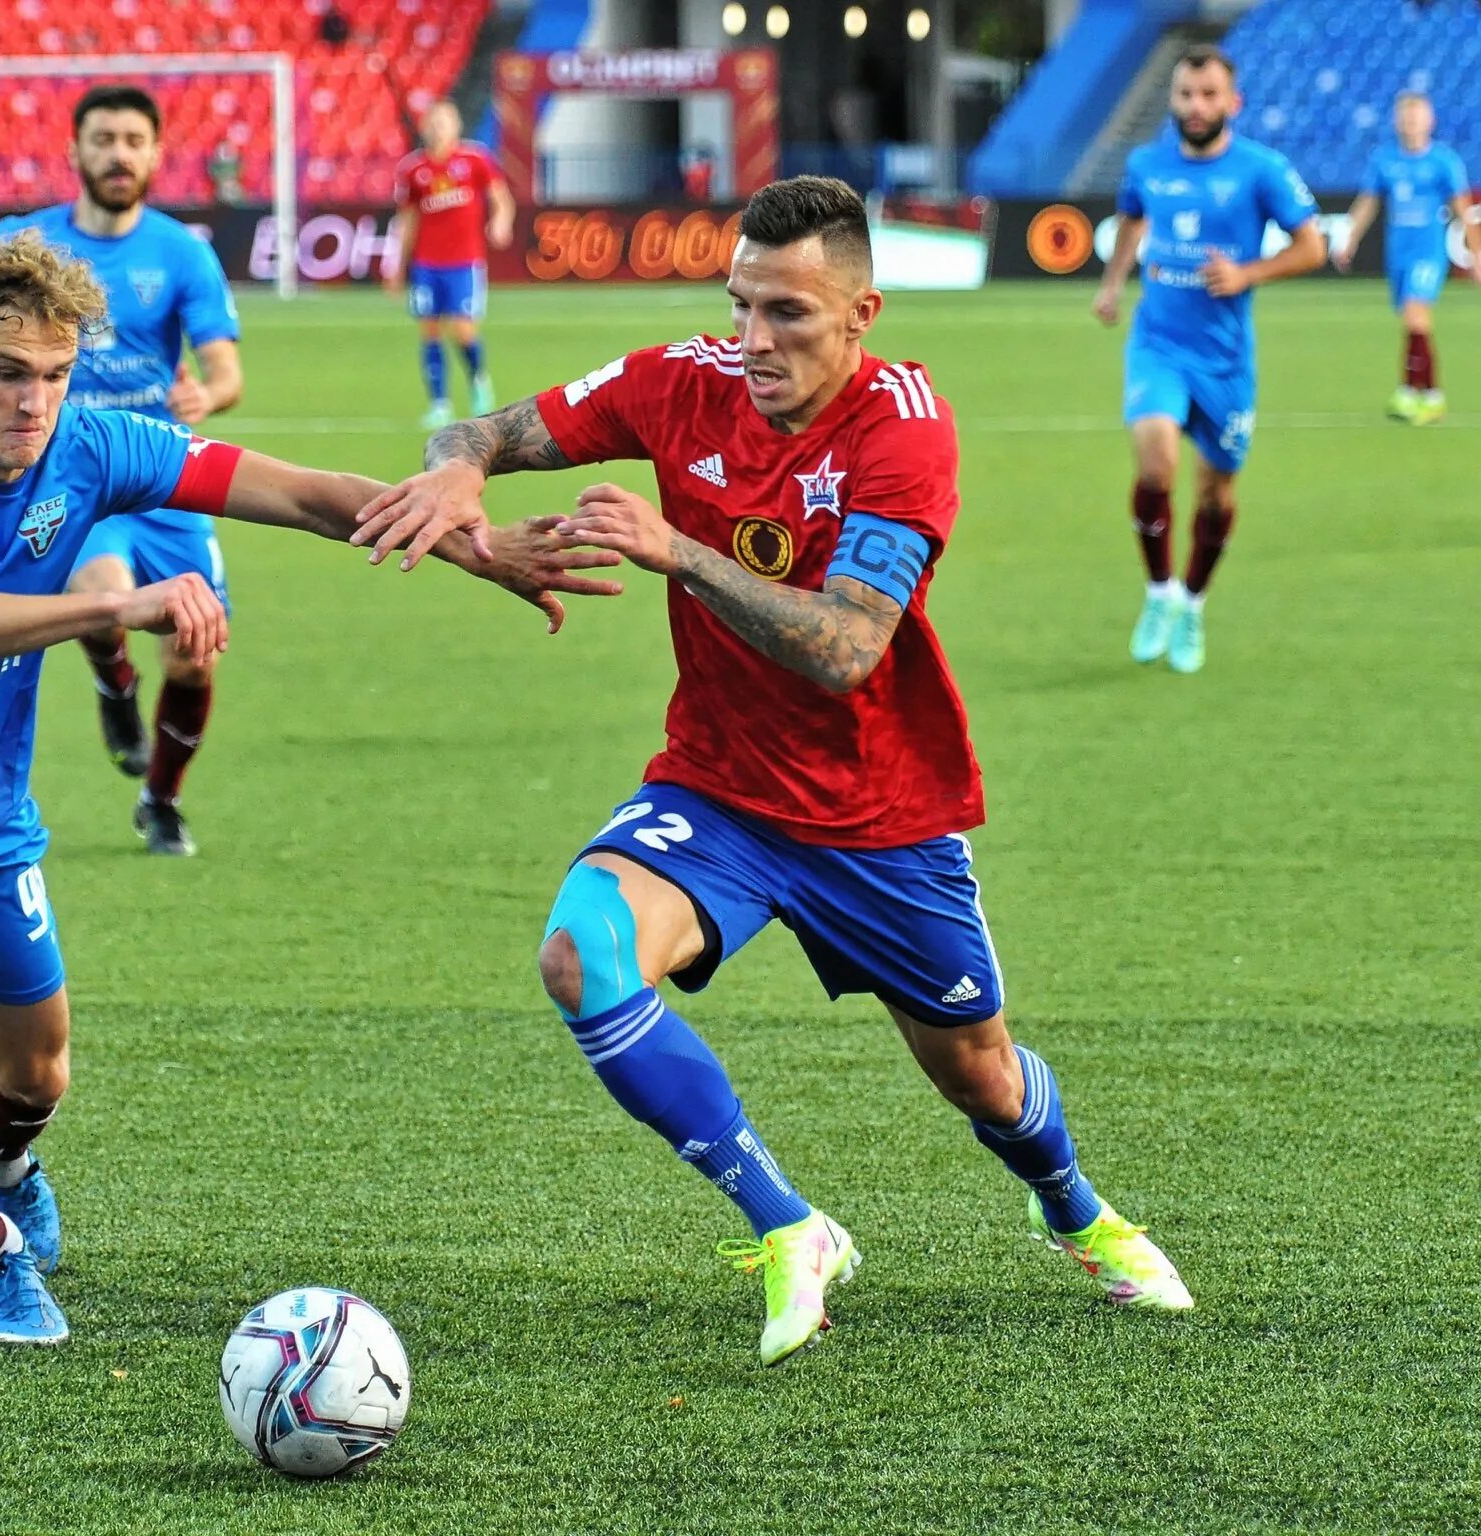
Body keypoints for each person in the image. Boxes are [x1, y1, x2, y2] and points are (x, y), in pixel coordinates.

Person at [353, 177, 1193, 1368]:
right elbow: (490, 427)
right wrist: (456, 474)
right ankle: (789, 1225)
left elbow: (849, 647)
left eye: (787, 315)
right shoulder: (680, 378)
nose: (751, 342)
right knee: (579, 954)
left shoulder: (903, 425)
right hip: (718, 789)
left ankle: (1071, 1207)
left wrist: (676, 552)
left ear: (861, 312)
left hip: (878, 815)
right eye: (739, 305)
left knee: (983, 1081)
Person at [0, 231, 619, 1347]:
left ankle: (4, 1158)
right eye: (6, 374)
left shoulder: (93, 449)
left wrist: (466, 543)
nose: (33, 403)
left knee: (35, 1074)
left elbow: (302, 494)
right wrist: (117, 607)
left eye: (53, 376)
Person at [0, 85, 243, 856]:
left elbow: (227, 371)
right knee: (104, 601)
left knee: (195, 655)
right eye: (104, 139)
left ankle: (160, 799)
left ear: (156, 153)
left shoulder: (182, 252)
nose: (119, 154)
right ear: (76, 152)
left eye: (134, 140)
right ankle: (113, 683)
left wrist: (208, 391)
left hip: (166, 478)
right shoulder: (27, 247)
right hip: (74, 478)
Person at [1092, 45, 1326, 675]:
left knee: (1217, 492)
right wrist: (1113, 286)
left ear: (1232, 101)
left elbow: (1312, 246)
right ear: (1173, 100)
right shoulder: (1146, 164)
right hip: (1158, 343)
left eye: (1208, 95)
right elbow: (1130, 222)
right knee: (1156, 459)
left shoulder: (1262, 169)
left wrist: (1249, 271)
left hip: (1224, 359)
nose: (1195, 107)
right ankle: (1159, 592)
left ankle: (1193, 602)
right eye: (1186, 95)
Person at [1335, 92, 1479, 424]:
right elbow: (1367, 203)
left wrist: (1476, 254)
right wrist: (1349, 238)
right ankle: (1419, 393)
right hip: (1398, 254)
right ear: (1397, 123)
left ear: (1430, 122)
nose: (1410, 125)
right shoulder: (1384, 160)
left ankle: (1423, 394)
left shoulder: (1444, 162)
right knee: (1412, 323)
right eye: (1405, 119)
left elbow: (1462, 210)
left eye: (1416, 119)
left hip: (1428, 253)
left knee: (1416, 316)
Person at [383, 101, 515, 430]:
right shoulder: (413, 169)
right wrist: (397, 266)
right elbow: (408, 220)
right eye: (434, 122)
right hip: (427, 263)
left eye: (445, 122)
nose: (439, 128)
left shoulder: (474, 159)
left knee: (463, 329)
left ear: (456, 126)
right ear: (425, 127)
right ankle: (439, 403)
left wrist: (501, 221)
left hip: (465, 261)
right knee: (429, 330)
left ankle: (477, 378)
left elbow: (501, 197)